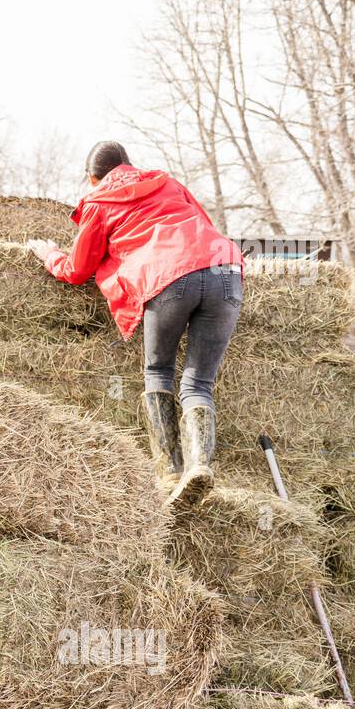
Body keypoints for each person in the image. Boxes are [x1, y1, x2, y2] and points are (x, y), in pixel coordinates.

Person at [28, 141, 244, 506]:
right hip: (226, 271)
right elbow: (205, 226)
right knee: (199, 383)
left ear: (92, 178)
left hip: (170, 276)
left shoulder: (98, 201)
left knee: (159, 371)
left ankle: (171, 471)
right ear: (129, 164)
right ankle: (200, 467)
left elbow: (78, 269)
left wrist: (49, 254)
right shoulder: (167, 183)